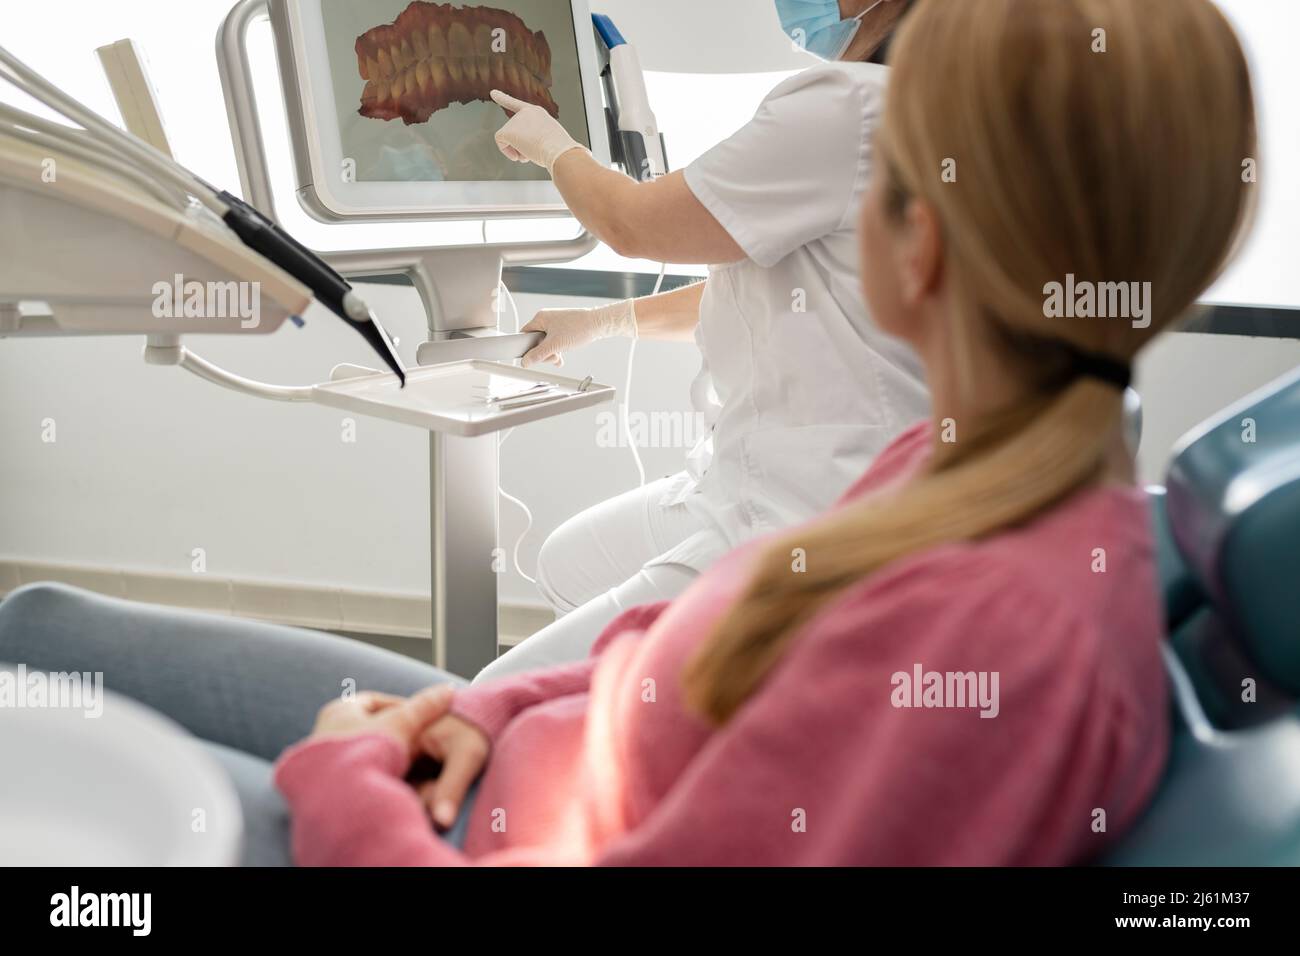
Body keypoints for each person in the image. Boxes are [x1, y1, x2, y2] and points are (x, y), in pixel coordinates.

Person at [0, 0, 1255, 865]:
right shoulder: (962, 468)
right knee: (42, 628)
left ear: (921, 237)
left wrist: (347, 780)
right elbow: (684, 645)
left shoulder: (988, 631)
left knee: (46, 723)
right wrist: (494, 711)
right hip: (523, 752)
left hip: (443, 824)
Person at [473, 0, 927, 682]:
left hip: (809, 512)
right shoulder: (921, 103)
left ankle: (693, 733)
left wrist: (551, 146)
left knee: (500, 691)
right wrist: (602, 321)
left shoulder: (848, 105)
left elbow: (635, 224)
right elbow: (763, 278)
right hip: (782, 479)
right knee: (567, 561)